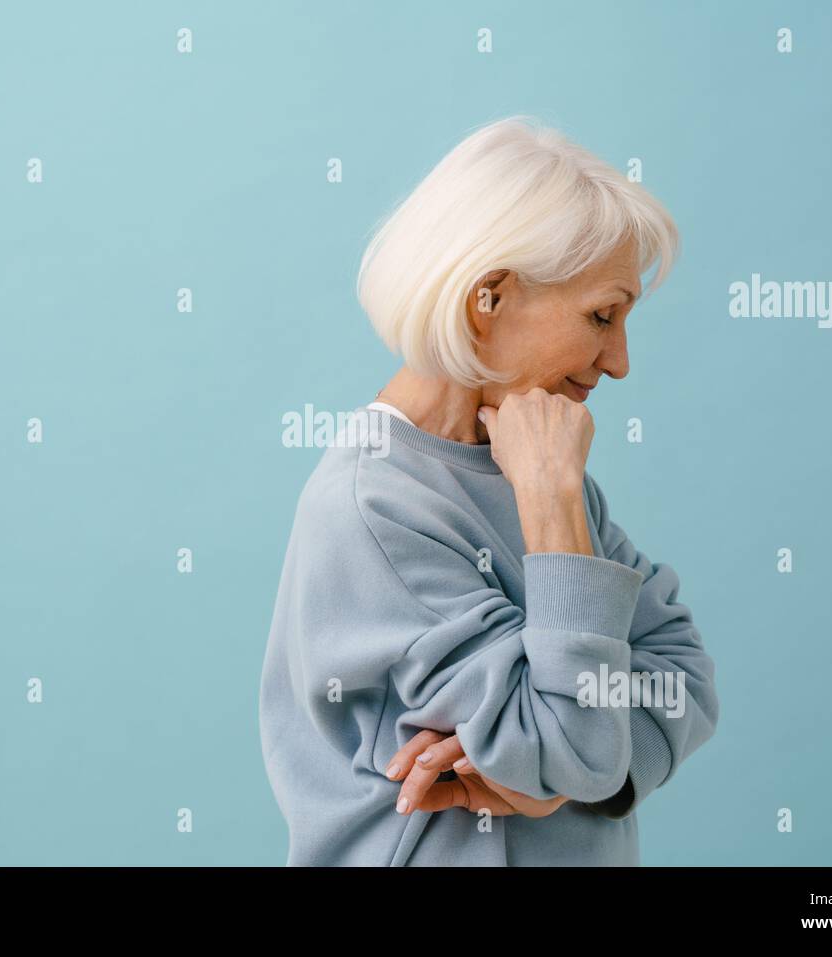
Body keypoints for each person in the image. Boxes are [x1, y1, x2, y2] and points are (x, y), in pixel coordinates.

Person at [259, 115, 719, 866]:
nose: (621, 360)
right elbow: (577, 743)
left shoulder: (534, 465)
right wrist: (568, 758)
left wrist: (555, 776)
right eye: (602, 315)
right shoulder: (373, 508)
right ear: (489, 299)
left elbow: (683, 677)